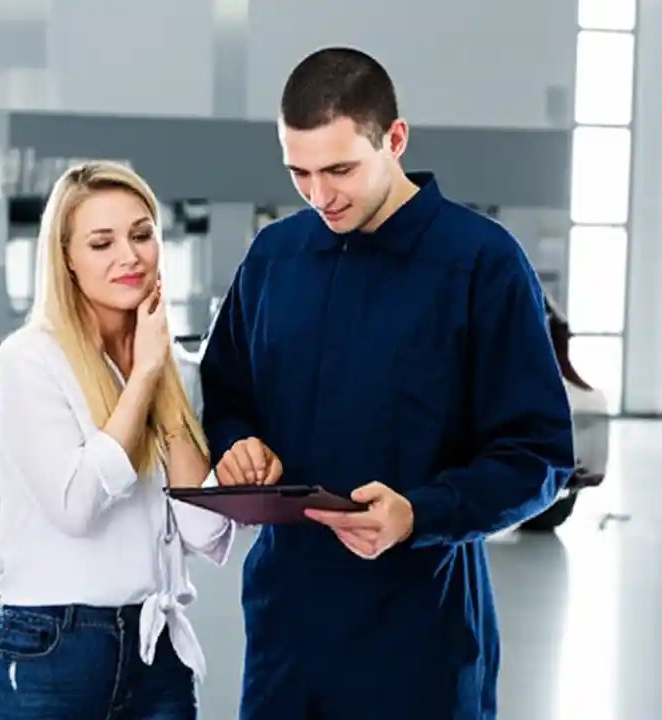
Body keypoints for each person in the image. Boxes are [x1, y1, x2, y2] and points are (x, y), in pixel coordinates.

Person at [199, 47, 576, 719]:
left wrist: (420, 512)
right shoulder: (274, 258)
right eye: (299, 172)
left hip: (420, 630)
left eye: (340, 169)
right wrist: (239, 443)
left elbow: (537, 455)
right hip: (287, 628)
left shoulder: (480, 264)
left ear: (395, 139)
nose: (320, 196)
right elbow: (227, 394)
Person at [0, 161, 236, 718]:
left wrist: (163, 375)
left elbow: (206, 529)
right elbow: (76, 507)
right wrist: (142, 377)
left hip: (156, 649)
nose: (130, 256)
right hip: (53, 644)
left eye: (142, 235)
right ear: (66, 258)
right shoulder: (32, 360)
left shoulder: (179, 368)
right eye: (102, 242)